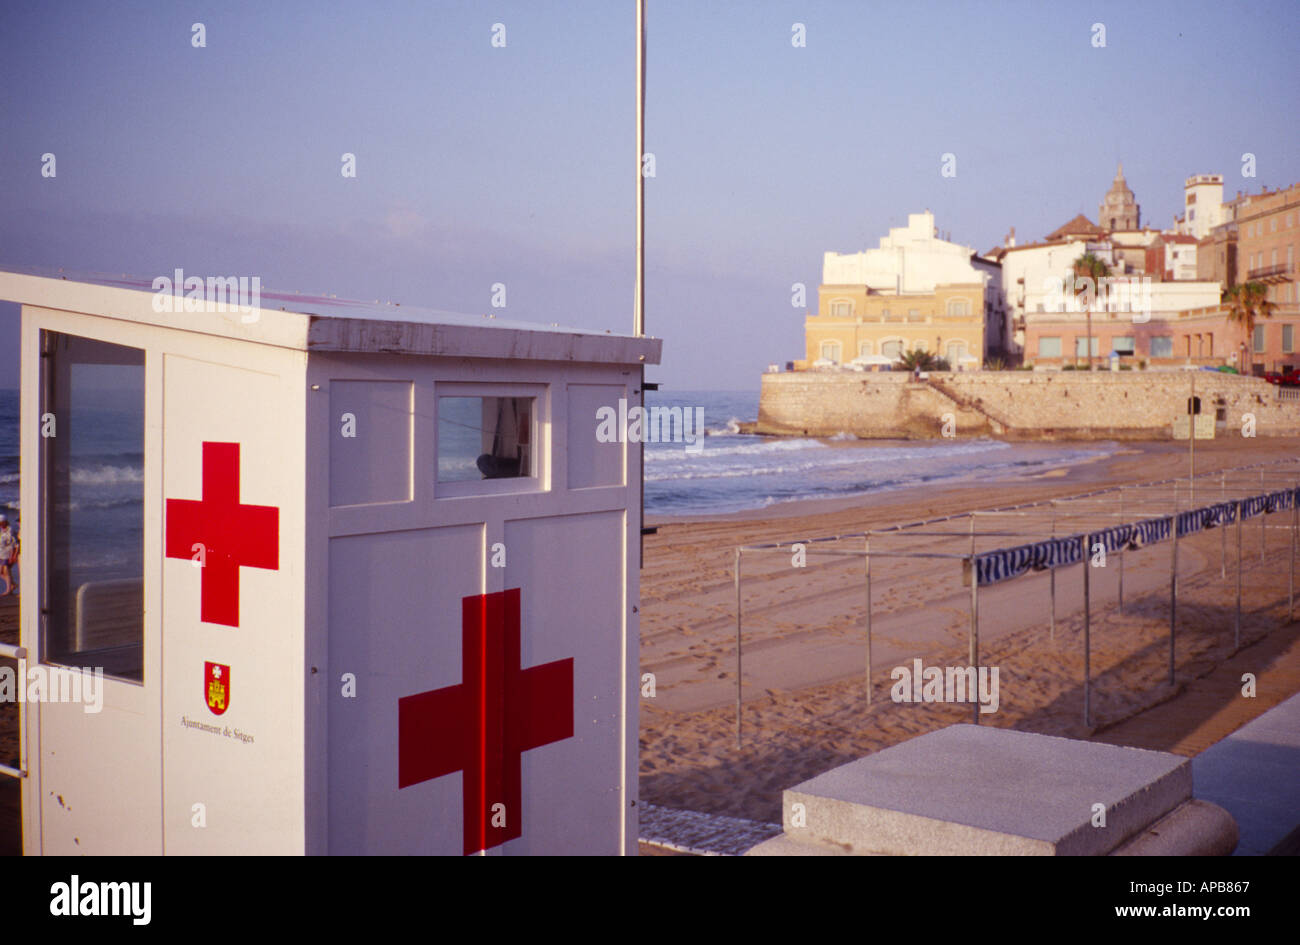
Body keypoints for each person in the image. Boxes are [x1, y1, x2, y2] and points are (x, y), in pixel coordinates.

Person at [0, 515, 17, 596]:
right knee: (1, 572)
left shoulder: (10, 530)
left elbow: (13, 544)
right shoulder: (2, 530)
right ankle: (12, 584)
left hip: (8, 553)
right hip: (1, 553)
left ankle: (8, 590)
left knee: (6, 571)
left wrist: (12, 556)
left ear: (4, 522)